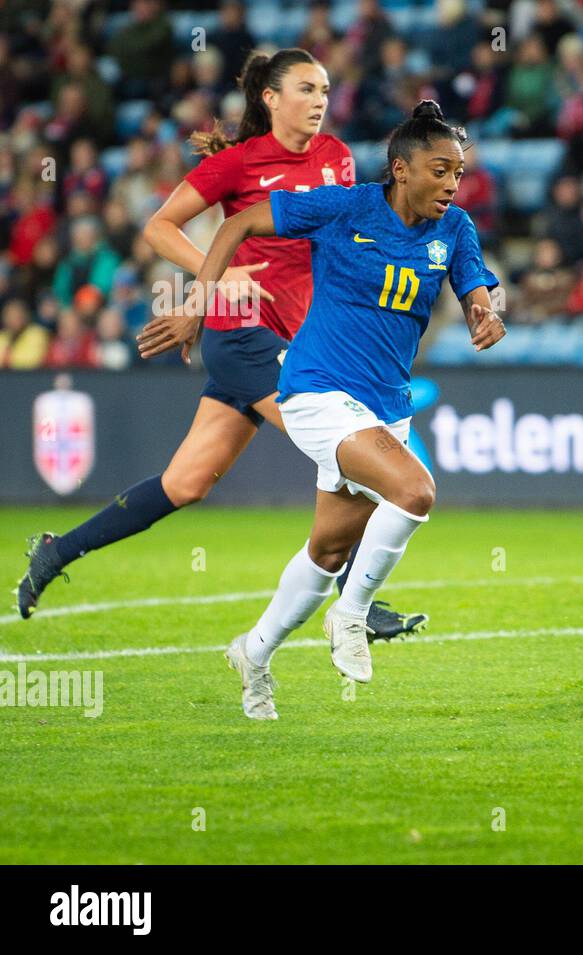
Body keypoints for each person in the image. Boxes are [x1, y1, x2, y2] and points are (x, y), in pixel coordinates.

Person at [16, 48, 428, 641]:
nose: (321, 102)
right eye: (308, 90)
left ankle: (57, 550)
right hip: (241, 334)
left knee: (186, 483)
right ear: (272, 98)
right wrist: (217, 277)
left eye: (325, 90)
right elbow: (159, 226)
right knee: (338, 441)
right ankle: (356, 603)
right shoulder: (238, 164)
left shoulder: (337, 158)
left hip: (298, 340)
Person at [144, 101, 503, 719]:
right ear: (400, 168)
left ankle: (253, 654)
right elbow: (235, 227)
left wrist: (483, 312)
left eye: (458, 173)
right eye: (440, 171)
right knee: (416, 491)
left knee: (329, 552)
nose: (451, 184)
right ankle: (353, 615)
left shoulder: (456, 228)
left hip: (385, 404)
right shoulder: (344, 206)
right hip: (315, 388)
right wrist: (199, 305)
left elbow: (475, 287)